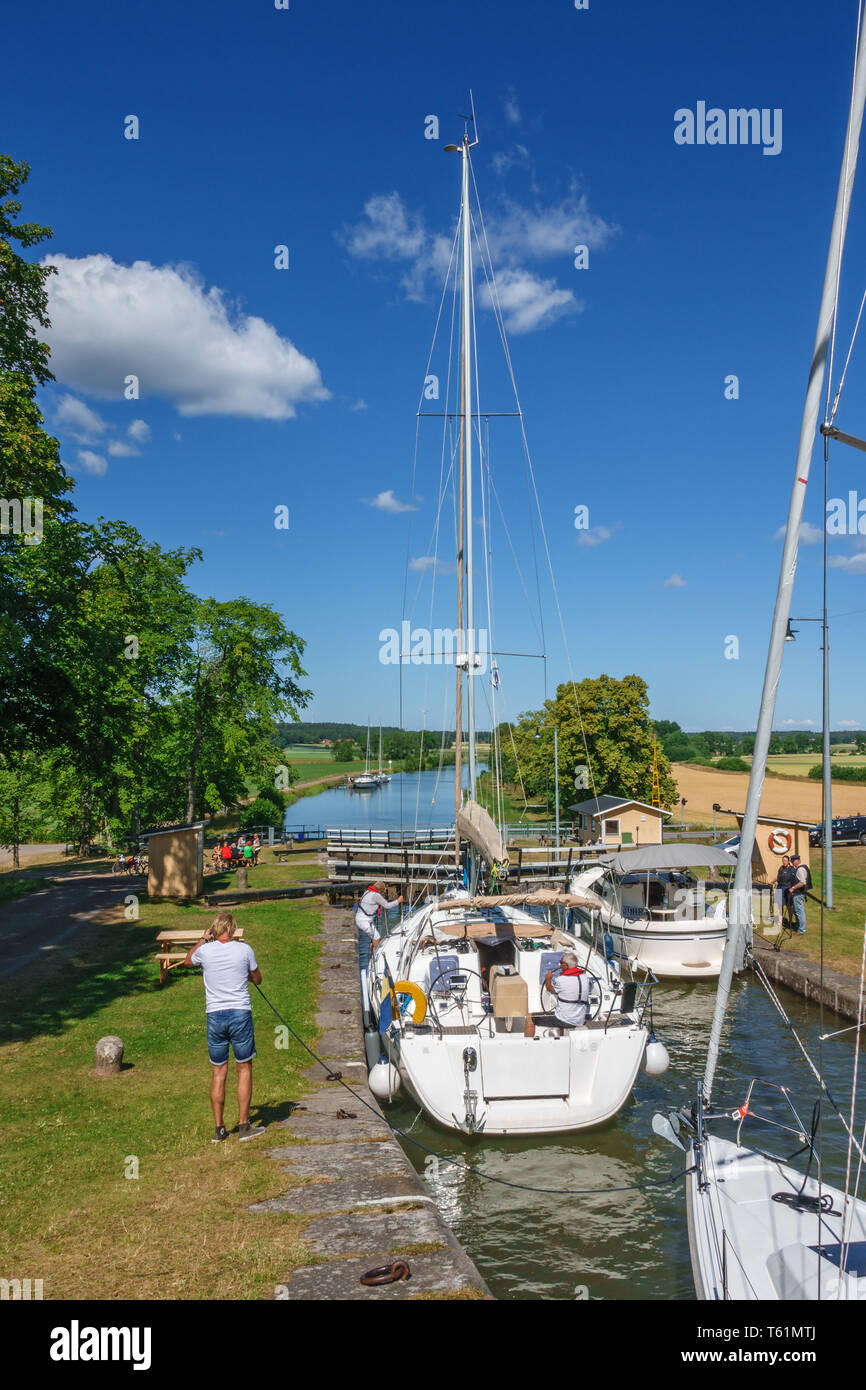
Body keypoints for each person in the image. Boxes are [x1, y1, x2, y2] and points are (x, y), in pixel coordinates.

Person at [184, 913, 265, 1144]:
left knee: (218, 1072)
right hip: (240, 1013)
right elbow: (257, 979)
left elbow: (188, 960)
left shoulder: (206, 951)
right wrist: (246, 976)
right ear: (233, 929)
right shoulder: (244, 950)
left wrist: (202, 940)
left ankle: (219, 1129)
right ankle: (244, 1125)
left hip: (215, 1016)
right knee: (244, 1068)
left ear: (214, 930)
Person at [527, 951, 591, 1036]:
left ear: (566, 965)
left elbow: (549, 989)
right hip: (581, 1019)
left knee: (529, 1018)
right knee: (561, 1013)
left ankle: (526, 1045)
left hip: (564, 1020)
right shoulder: (585, 978)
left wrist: (548, 979)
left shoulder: (561, 980)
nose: (560, 965)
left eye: (561, 963)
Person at [354, 882, 403, 970]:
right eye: (383, 892)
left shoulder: (368, 891)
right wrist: (398, 901)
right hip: (364, 921)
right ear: (380, 890)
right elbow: (387, 906)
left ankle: (373, 953)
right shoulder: (376, 895)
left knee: (377, 938)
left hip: (363, 919)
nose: (383, 893)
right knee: (376, 938)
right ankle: (373, 960)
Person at [789, 854, 811, 935]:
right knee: (797, 910)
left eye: (792, 861)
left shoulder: (800, 869)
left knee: (799, 911)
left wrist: (793, 888)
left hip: (798, 893)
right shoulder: (804, 867)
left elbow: (802, 882)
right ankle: (798, 926)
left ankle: (801, 930)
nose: (792, 863)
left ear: (797, 861)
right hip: (800, 893)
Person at [774, 855, 795, 929]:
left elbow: (794, 880)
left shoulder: (792, 869)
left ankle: (790, 921)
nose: (784, 862)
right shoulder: (781, 868)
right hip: (779, 887)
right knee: (779, 906)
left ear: (789, 861)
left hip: (787, 888)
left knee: (789, 906)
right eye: (783, 861)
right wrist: (772, 882)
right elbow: (777, 877)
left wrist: (792, 889)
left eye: (785, 861)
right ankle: (780, 921)